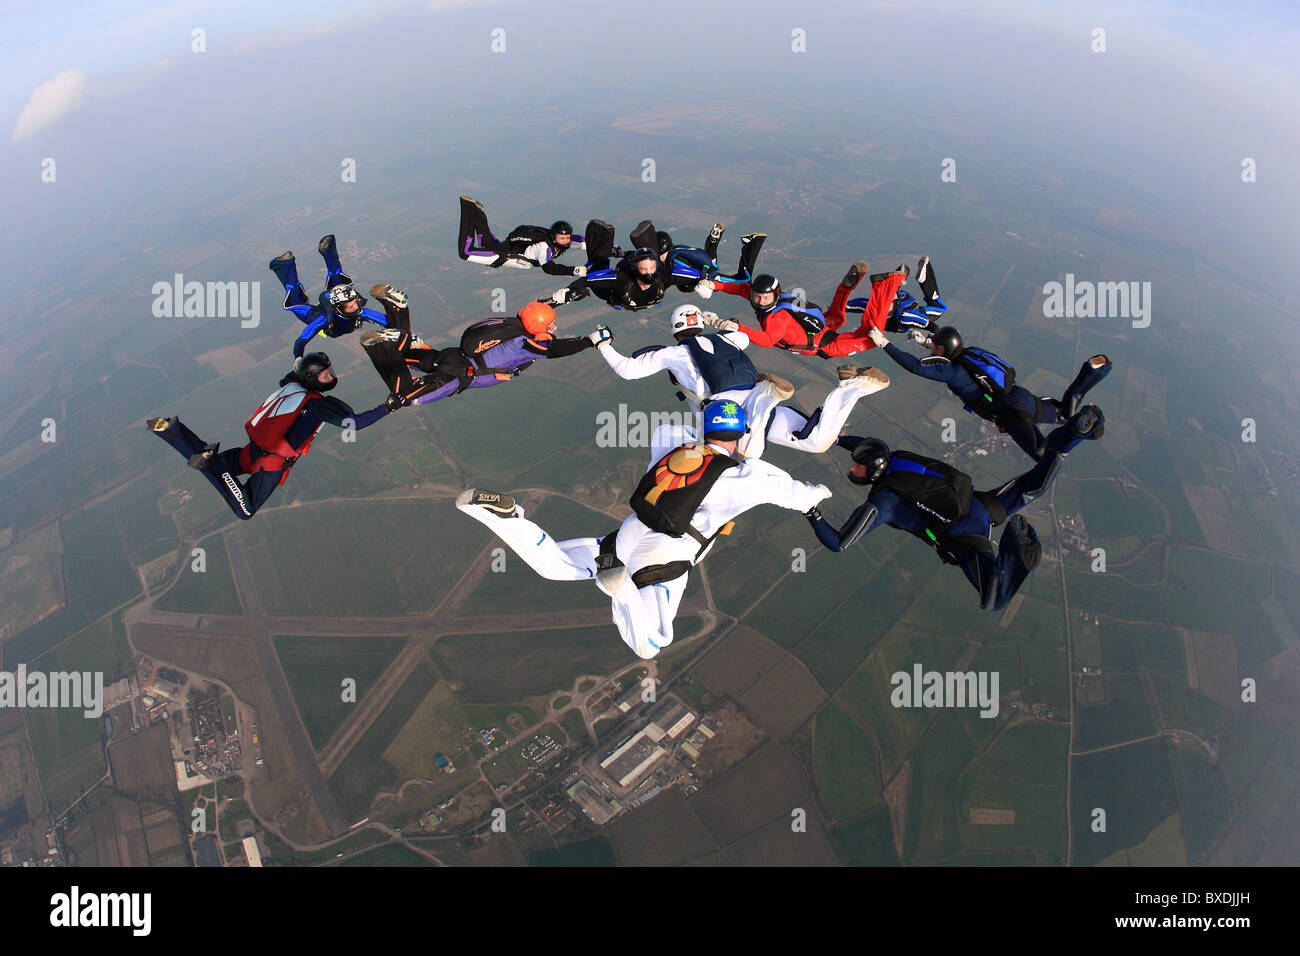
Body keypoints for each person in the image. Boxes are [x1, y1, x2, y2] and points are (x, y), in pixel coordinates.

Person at [456, 400, 831, 658]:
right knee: (651, 644)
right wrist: (821, 492)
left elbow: (677, 429)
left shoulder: (673, 444)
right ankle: (621, 590)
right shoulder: (748, 475)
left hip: (626, 536)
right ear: (742, 435)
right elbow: (800, 498)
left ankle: (509, 518)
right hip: (665, 558)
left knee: (559, 566)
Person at [805, 405, 1106, 610]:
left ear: (871, 472)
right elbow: (867, 447)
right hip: (978, 503)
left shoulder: (883, 502)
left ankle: (1015, 551)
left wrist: (810, 510)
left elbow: (838, 543)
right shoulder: (895, 456)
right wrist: (835, 438)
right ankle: (1073, 439)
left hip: (962, 534)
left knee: (994, 600)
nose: (853, 469)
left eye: (858, 468)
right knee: (1033, 485)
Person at [595, 303, 891, 460]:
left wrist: (602, 344)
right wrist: (719, 323)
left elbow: (627, 370)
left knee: (749, 451)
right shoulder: (729, 339)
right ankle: (853, 387)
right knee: (815, 442)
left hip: (725, 410)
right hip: (750, 394)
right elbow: (743, 336)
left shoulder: (675, 353)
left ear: (675, 330)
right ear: (698, 323)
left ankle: (767, 397)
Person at [146, 353, 396, 520]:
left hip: (251, 452)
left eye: (330, 372)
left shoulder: (292, 384)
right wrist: (389, 407)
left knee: (214, 461)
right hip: (270, 464)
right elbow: (357, 423)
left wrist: (302, 349)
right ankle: (210, 462)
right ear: (313, 379)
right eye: (325, 375)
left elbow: (296, 365)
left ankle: (172, 431)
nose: (331, 377)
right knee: (245, 509)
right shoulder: (321, 405)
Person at [867, 320, 1112, 460]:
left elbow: (915, 367)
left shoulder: (953, 371)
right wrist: (927, 340)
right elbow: (946, 342)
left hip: (1012, 413)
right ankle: (1093, 373)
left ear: (944, 350)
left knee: (1042, 453)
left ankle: (1079, 431)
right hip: (1021, 396)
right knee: (1062, 413)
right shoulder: (968, 353)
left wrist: (884, 344)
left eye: (935, 348)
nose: (933, 352)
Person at [359, 288, 609, 407]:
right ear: (539, 328)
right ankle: (383, 347)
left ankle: (399, 321)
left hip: (452, 355)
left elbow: (537, 312)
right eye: (550, 326)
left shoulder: (513, 324)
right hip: (459, 376)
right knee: (405, 397)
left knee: (406, 356)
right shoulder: (528, 343)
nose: (553, 329)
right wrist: (589, 341)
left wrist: (557, 301)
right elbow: (554, 350)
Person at [549, 218, 763, 313]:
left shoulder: (666, 271)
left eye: (652, 266)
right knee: (598, 269)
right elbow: (588, 280)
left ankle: (752, 243)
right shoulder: (622, 279)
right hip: (614, 294)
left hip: (636, 292)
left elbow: (700, 273)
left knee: (740, 281)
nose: (650, 271)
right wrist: (566, 294)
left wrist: (708, 283)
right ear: (636, 269)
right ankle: (602, 238)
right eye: (644, 268)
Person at [702, 261, 908, 357]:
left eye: (765, 297)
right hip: (816, 327)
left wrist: (735, 327)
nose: (761, 301)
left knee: (870, 339)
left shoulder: (776, 319)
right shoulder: (771, 297)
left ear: (775, 294)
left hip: (824, 344)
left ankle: (886, 285)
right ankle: (848, 286)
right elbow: (740, 288)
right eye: (757, 296)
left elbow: (767, 341)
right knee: (836, 317)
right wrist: (715, 285)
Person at [268, 234, 389, 357]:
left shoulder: (359, 312)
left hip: (327, 306)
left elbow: (388, 321)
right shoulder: (323, 320)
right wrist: (298, 359)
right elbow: (301, 340)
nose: (355, 307)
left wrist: (400, 332)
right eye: (350, 306)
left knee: (337, 287)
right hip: (320, 312)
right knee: (296, 303)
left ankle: (288, 265)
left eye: (355, 302)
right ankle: (289, 264)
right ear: (339, 309)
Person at [456, 196, 589, 276]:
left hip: (504, 249)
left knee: (485, 241)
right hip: (500, 255)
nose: (566, 241)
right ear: (554, 237)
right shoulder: (543, 247)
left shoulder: (564, 240)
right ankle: (467, 208)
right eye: (562, 238)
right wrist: (573, 271)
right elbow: (549, 268)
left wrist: (608, 248)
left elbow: (583, 242)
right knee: (465, 253)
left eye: (567, 238)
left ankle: (475, 210)